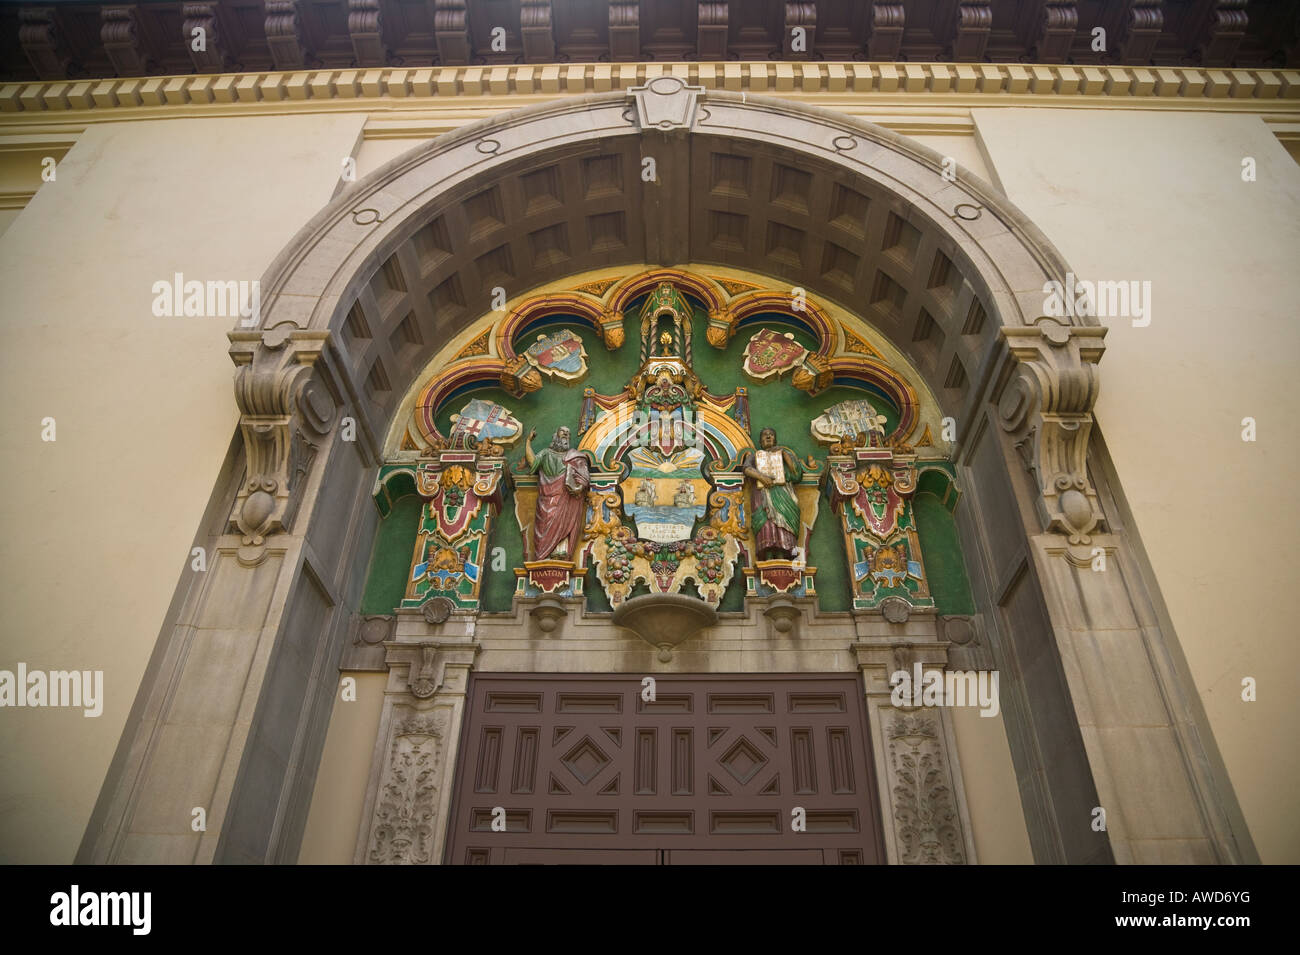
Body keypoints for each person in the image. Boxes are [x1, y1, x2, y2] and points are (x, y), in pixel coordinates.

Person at [524, 426, 590, 560]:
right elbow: (533, 462)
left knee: (564, 524)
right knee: (544, 524)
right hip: (546, 499)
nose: (565, 434)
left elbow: (584, 477)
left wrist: (579, 488)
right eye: (563, 432)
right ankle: (543, 556)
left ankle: (560, 553)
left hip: (565, 498)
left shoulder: (575, 456)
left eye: (568, 433)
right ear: (555, 435)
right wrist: (528, 442)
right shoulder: (546, 453)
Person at [741, 427, 803, 560]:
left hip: (783, 493)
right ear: (760, 441)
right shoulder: (756, 456)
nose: (768, 437)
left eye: (771, 435)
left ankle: (783, 554)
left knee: (784, 519)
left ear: (775, 439)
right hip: (762, 494)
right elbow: (746, 468)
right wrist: (762, 477)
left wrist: (784, 454)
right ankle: (768, 555)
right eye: (765, 435)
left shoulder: (784, 454)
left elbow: (796, 474)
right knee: (766, 521)